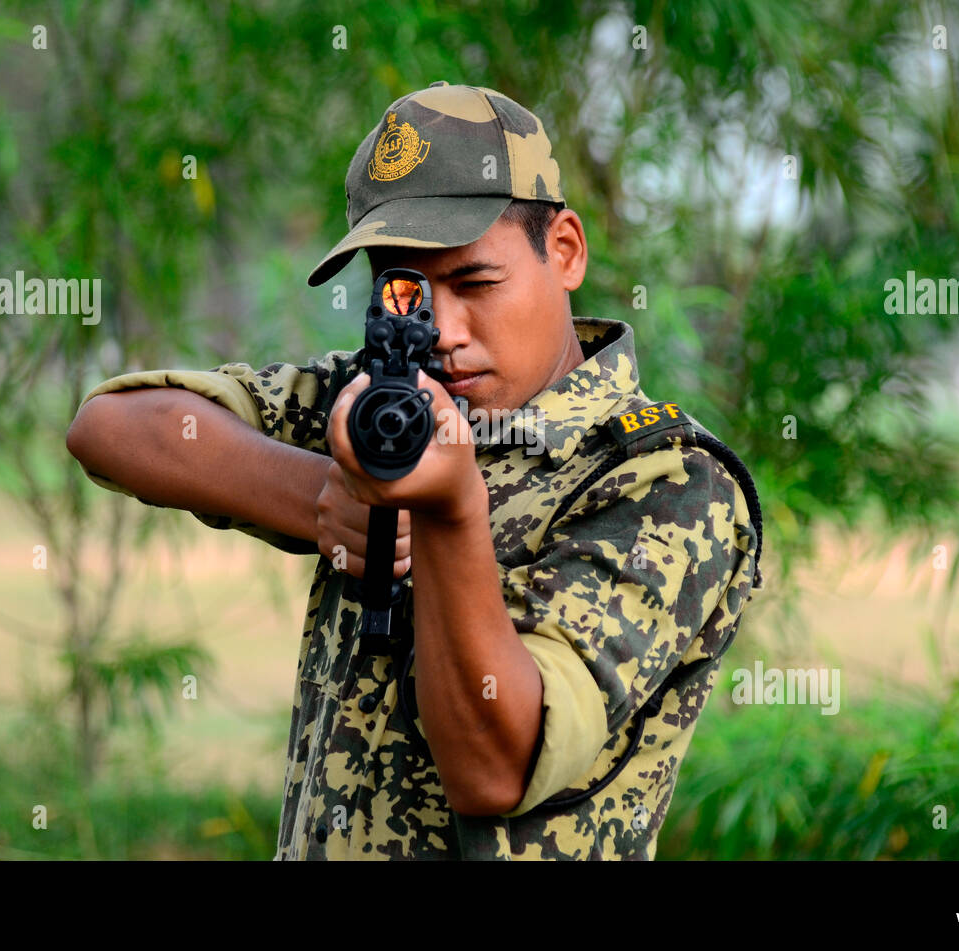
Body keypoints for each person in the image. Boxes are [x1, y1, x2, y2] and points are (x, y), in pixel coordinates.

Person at [64, 81, 763, 860]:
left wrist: (451, 512)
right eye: (408, 293)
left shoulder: (663, 479)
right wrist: (321, 502)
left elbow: (494, 768)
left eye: (476, 282)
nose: (443, 331)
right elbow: (111, 427)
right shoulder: (379, 398)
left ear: (563, 249)